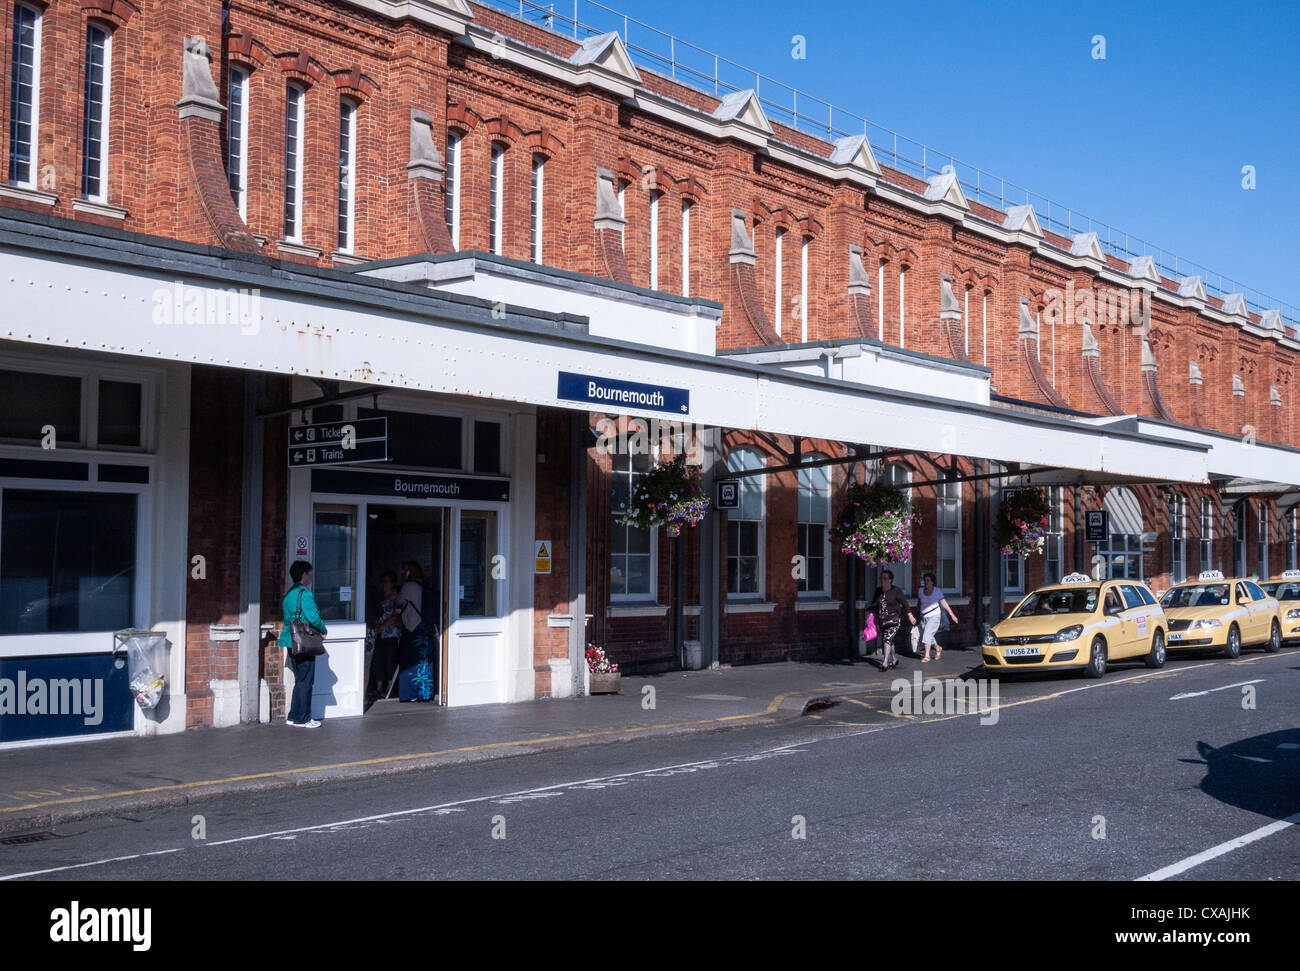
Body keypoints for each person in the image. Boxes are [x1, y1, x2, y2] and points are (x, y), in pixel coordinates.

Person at [278, 560, 326, 728]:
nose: (311, 576)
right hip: (304, 641)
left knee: (300, 680)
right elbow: (313, 617)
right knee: (306, 680)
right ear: (304, 574)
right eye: (310, 573)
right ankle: (303, 719)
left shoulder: (289, 594)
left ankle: (293, 715)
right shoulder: (304, 594)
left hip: (290, 640)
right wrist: (323, 629)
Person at [395, 560, 437, 702]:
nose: (403, 573)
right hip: (425, 627)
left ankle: (411, 694)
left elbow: (398, 603)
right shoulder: (423, 585)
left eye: (405, 570)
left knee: (410, 661)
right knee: (424, 660)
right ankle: (424, 693)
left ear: (410, 571)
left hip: (413, 628)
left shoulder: (408, 586)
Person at [869, 569, 916, 670]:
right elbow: (874, 605)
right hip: (882, 620)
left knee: (887, 639)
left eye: (885, 578)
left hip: (894, 620)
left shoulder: (896, 590)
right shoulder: (878, 591)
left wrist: (910, 615)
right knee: (890, 640)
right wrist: (870, 616)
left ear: (890, 580)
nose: (882, 580)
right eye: (881, 578)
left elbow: (905, 603)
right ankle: (894, 659)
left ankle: (885, 663)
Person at [367, 570, 402, 701]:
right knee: (378, 660)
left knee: (390, 660)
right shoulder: (379, 596)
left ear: (393, 583)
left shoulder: (396, 598)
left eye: (387, 581)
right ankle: (379, 686)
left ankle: (389, 687)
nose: (384, 584)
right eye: (383, 581)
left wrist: (381, 627)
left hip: (391, 633)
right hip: (378, 633)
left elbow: (395, 616)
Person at [916, 571, 960, 663]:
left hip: (934, 616)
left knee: (927, 634)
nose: (926, 582)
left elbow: (944, 603)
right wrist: (917, 614)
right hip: (924, 616)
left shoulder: (937, 591)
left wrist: (952, 615)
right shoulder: (920, 591)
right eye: (925, 580)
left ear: (932, 582)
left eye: (928, 580)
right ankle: (938, 648)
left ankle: (927, 656)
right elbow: (919, 603)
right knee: (928, 635)